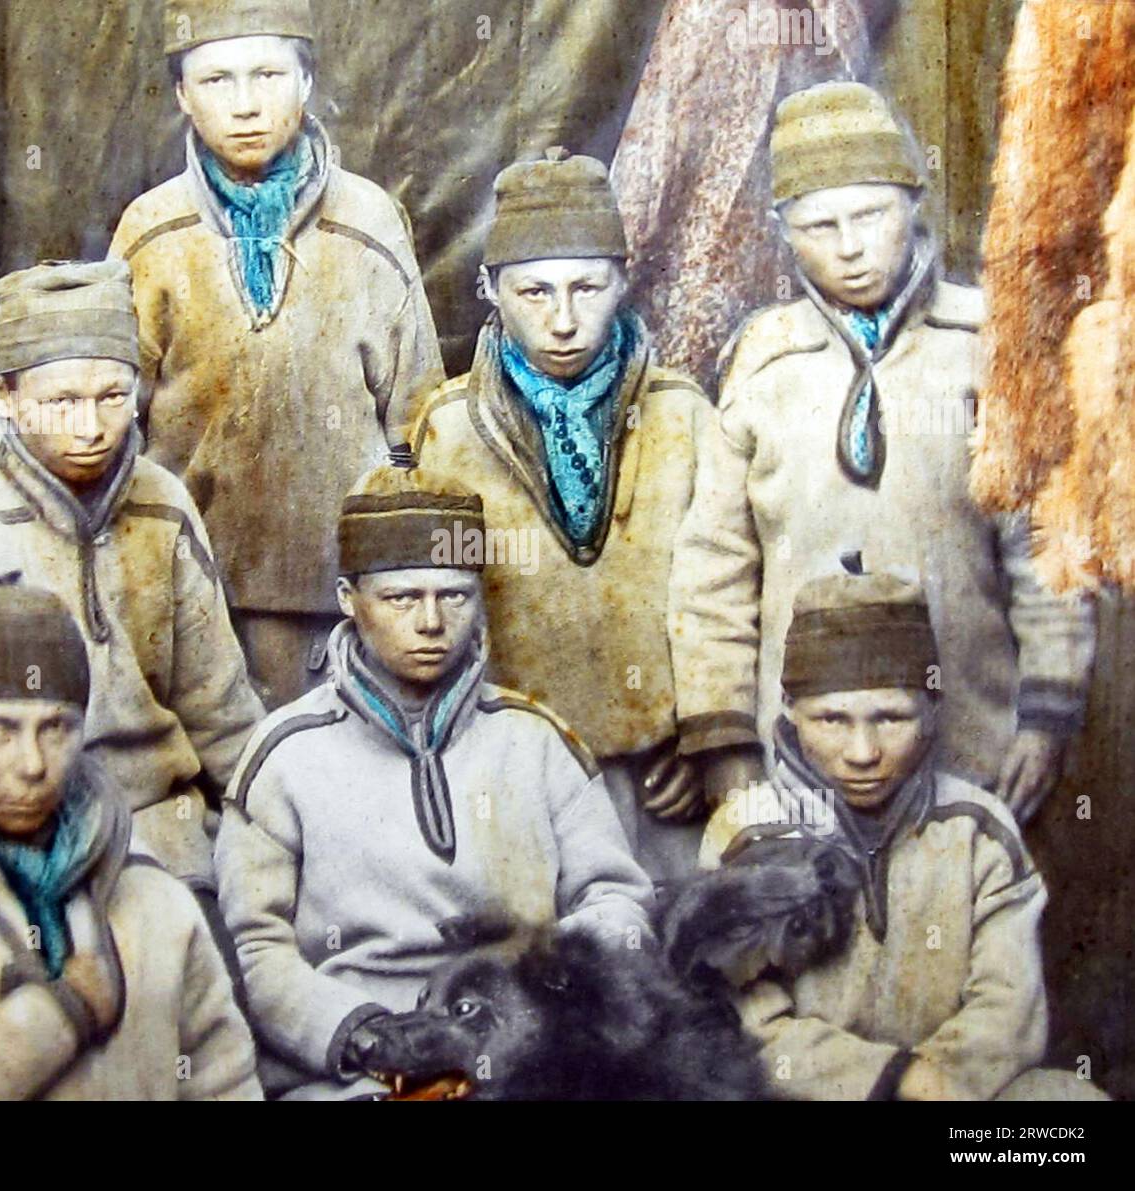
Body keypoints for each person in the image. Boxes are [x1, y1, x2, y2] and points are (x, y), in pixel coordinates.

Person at [670, 82, 1096, 824]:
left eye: (870, 214)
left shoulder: (987, 347)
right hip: (799, 750)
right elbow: (714, 569)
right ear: (785, 233)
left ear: (912, 203)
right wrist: (726, 742)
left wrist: (1046, 713)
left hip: (973, 739)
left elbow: (1046, 549)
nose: (850, 246)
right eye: (819, 224)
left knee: (962, 911)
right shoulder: (761, 364)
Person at [216, 466, 654, 1099]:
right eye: (402, 598)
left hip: (528, 1055)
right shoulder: (284, 755)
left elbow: (619, 903)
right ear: (348, 597)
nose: (431, 622)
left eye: (454, 596)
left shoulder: (537, 740)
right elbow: (257, 952)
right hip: (356, 1072)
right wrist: (368, 1037)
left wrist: (524, 992)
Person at [0, 261, 264, 903]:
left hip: (156, 835)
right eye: (61, 402)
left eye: (112, 397)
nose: (90, 428)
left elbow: (221, 713)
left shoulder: (164, 506)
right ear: (2, 398)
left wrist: (280, 828)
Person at [110, 0, 443, 707]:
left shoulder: (369, 220)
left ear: (306, 82)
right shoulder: (152, 231)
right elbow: (114, 421)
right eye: (217, 80)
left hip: (345, 597)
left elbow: (418, 422)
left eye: (267, 74)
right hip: (196, 591)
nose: (246, 105)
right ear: (181, 95)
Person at [412, 148, 718, 879]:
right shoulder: (450, 429)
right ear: (490, 288)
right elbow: (434, 615)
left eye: (587, 286)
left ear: (624, 278)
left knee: (680, 969)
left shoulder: (684, 416)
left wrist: (707, 740)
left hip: (666, 781)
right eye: (534, 291)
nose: (563, 319)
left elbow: (729, 594)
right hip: (518, 775)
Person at [0, 585, 260, 1100]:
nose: (33, 763)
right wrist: (52, 1019)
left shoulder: (152, 896)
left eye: (56, 728)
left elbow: (225, 1082)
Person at [699, 568, 1105, 1101]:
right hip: (804, 1096)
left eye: (891, 718)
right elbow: (754, 1031)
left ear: (932, 712)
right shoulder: (745, 833)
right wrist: (890, 1081)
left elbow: (1009, 1012)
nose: (863, 752)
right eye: (832, 720)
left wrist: (932, 1085)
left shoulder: (980, 829)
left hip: (951, 1099)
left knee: (1066, 1108)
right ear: (790, 714)